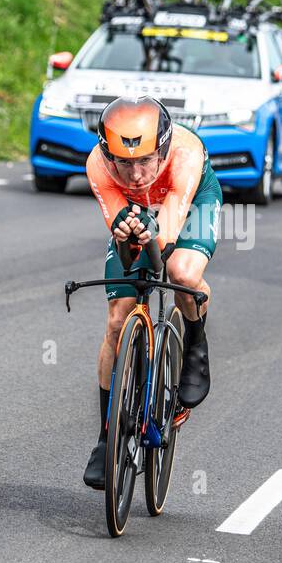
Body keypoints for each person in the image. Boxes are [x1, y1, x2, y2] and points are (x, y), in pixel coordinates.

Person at [82, 97, 222, 490]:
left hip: (189, 202)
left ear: (163, 146)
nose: (137, 173)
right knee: (117, 316)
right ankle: (107, 437)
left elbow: (170, 230)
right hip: (134, 211)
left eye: (145, 161)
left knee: (181, 272)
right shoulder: (97, 164)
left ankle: (195, 343)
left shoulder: (186, 153)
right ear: (109, 156)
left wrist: (151, 239)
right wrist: (129, 240)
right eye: (124, 164)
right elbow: (122, 239)